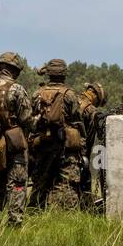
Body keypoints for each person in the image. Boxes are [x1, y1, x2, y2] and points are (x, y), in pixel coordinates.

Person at [0, 52, 33, 227]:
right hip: (14, 143)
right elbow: (26, 118)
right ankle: (15, 222)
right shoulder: (16, 89)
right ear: (14, 70)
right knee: (17, 183)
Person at [29, 58, 85, 210]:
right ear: (64, 74)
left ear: (48, 74)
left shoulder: (37, 94)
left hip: (42, 145)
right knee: (67, 184)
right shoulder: (69, 95)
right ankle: (62, 215)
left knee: (39, 183)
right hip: (64, 147)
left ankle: (34, 212)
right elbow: (78, 121)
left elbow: (31, 121)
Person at [78, 81, 108, 212]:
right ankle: (84, 210)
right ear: (96, 96)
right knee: (84, 182)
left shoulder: (72, 99)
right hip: (78, 154)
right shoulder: (91, 110)